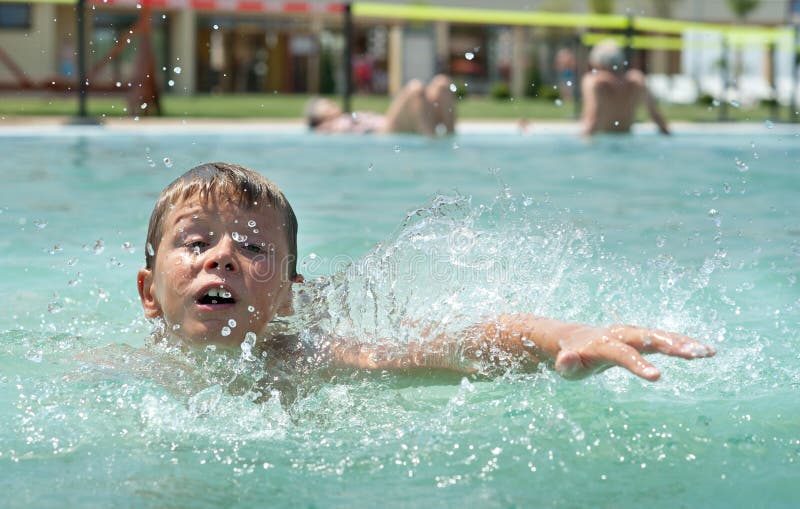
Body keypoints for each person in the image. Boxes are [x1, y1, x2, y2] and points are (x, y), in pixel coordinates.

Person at [137, 162, 714, 383]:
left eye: (254, 247)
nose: (222, 257)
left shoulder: (309, 359)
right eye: (194, 242)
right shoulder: (120, 375)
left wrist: (558, 336)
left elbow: (454, 344)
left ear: (289, 297)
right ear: (149, 293)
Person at [305, 74, 456, 136]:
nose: (331, 104)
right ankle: (431, 141)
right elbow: (317, 131)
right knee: (415, 89)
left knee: (442, 83)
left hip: (391, 122)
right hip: (386, 130)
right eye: (325, 106)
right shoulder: (329, 126)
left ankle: (450, 137)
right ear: (320, 117)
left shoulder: (345, 117)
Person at [581, 40, 669, 136]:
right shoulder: (637, 81)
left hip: (601, 140)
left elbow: (593, 118)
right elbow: (656, 116)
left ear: (595, 62)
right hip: (628, 140)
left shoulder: (593, 82)